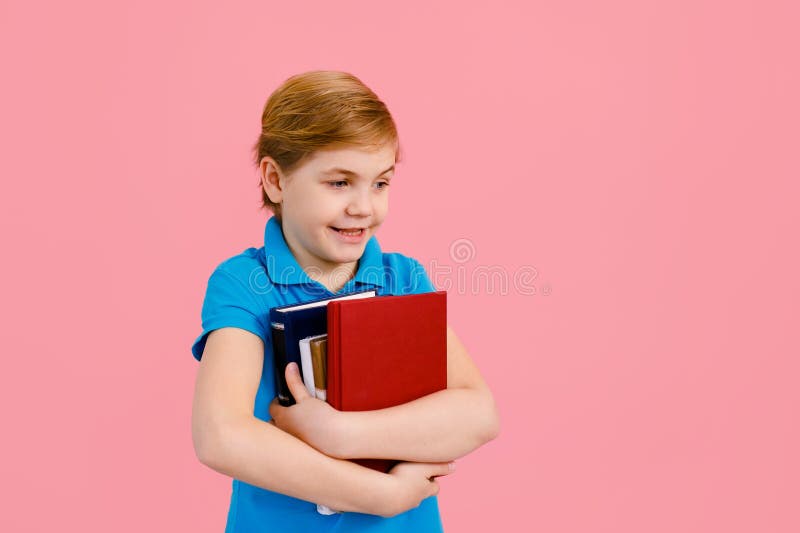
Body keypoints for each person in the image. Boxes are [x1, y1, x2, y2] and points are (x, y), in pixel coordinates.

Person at [190, 70, 500, 532]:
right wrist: (382, 495)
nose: (364, 207)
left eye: (380, 183)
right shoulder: (243, 283)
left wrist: (339, 433)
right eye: (339, 183)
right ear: (275, 180)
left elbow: (478, 414)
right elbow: (221, 436)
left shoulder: (403, 279)